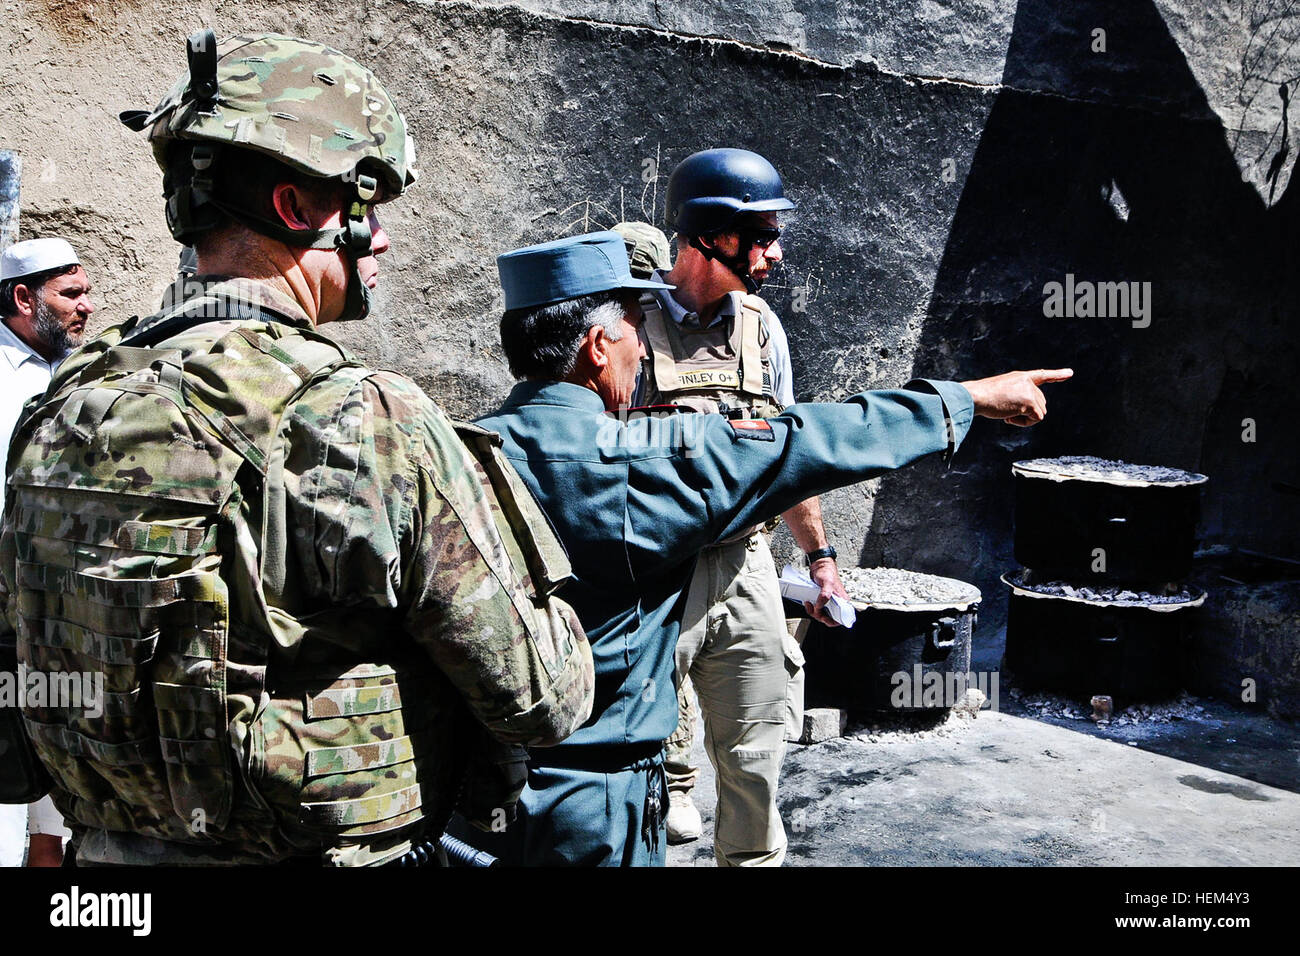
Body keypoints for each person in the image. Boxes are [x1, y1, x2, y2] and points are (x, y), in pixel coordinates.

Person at [0, 30, 593, 867]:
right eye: (367, 204)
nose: (381, 237)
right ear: (297, 208)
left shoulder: (64, 405)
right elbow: (541, 696)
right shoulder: (361, 414)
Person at [468, 229, 1070, 866]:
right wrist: (968, 398)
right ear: (597, 347)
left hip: (475, 797)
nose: (642, 349)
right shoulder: (649, 464)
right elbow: (816, 439)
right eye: (634, 331)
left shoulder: (455, 455)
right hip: (597, 810)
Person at [630, 149, 851, 862]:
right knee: (635, 763)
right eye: (761, 236)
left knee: (758, 757)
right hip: (653, 575)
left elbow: (788, 458)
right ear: (709, 236)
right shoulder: (626, 329)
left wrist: (820, 560)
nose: (775, 252)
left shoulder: (762, 328)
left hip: (745, 566)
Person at [0, 236, 92, 866]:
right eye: (71, 294)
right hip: (7, 614)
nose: (86, 306)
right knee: (9, 786)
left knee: (56, 805)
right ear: (23, 297)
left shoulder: (75, 374)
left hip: (61, 613)